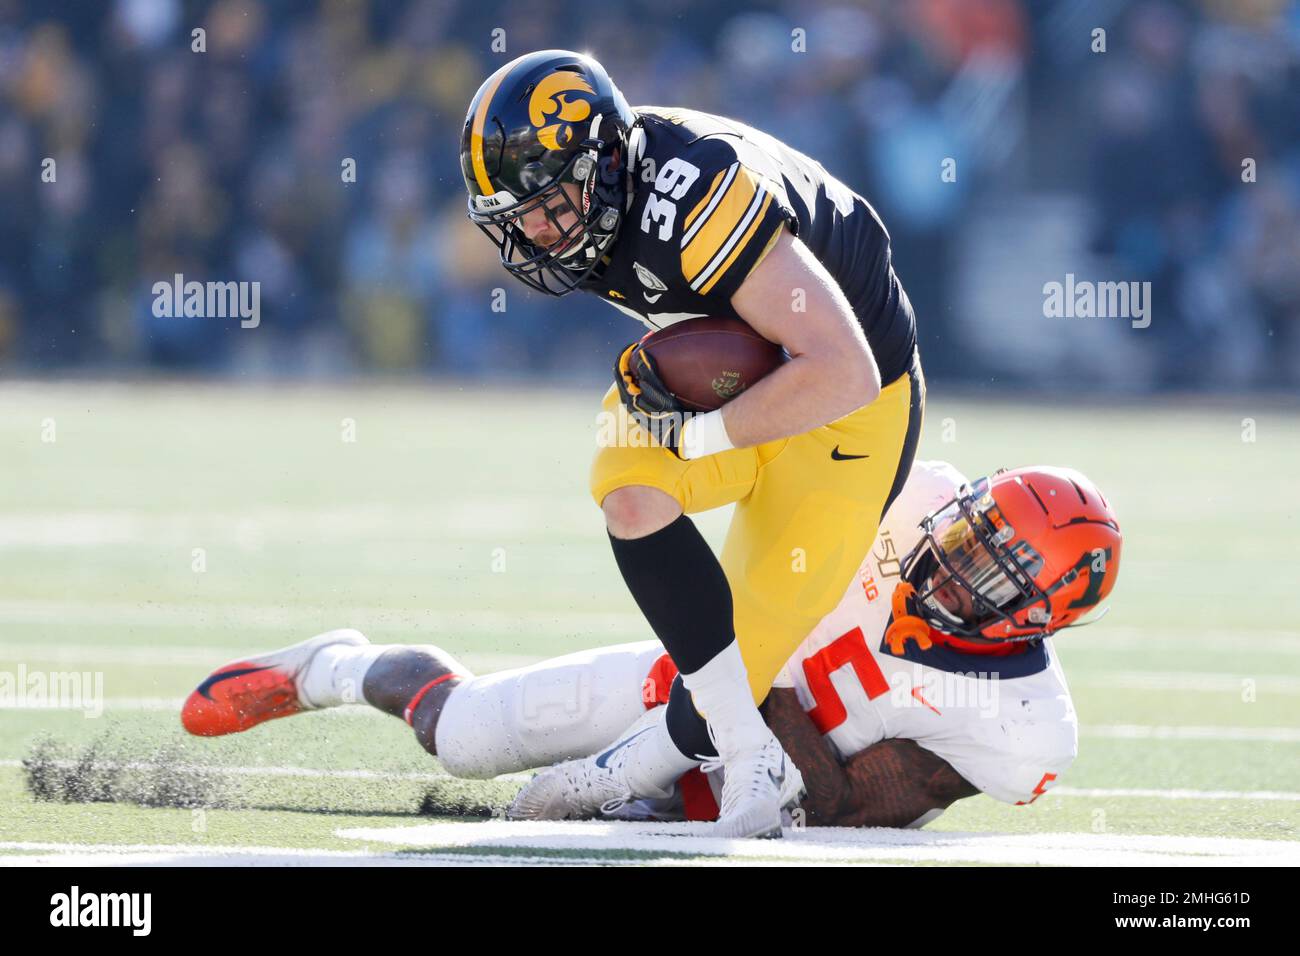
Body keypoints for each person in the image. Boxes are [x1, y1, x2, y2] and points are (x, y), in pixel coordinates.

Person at [454, 49, 924, 836]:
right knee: (628, 490)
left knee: (718, 683)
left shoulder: (696, 199)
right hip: (747, 373)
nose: (534, 231)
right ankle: (754, 757)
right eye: (515, 217)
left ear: (604, 164)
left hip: (848, 414)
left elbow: (842, 370)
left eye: (547, 203)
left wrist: (703, 435)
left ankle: (623, 772)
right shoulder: (599, 198)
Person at [181, 461, 1122, 830]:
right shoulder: (905, 491)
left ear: (1040, 616)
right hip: (685, 680)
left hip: (776, 811)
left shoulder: (1023, 728)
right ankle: (332, 666)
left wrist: (646, 775)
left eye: (992, 576)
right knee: (462, 737)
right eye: (965, 536)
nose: (952, 565)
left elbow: (844, 805)